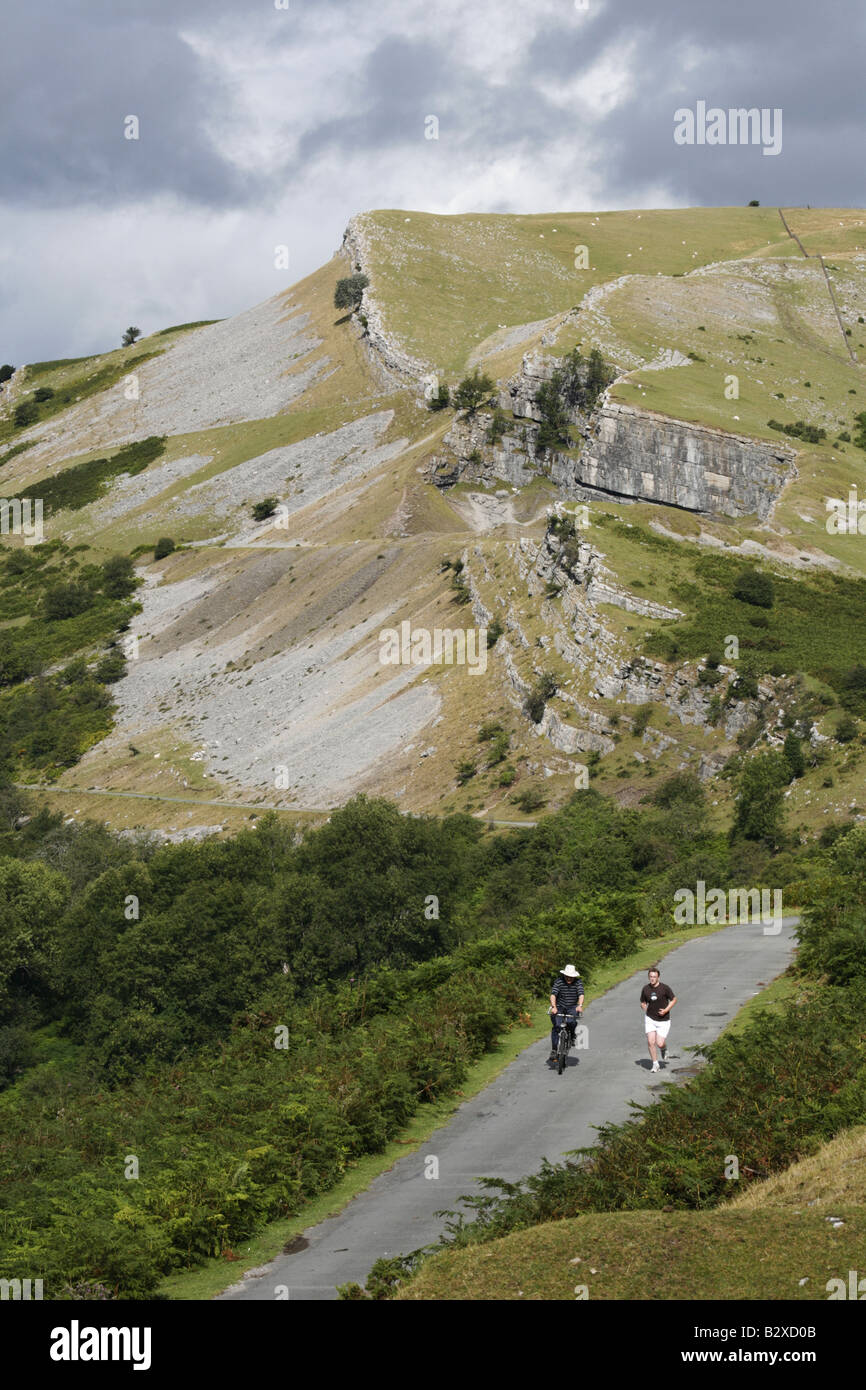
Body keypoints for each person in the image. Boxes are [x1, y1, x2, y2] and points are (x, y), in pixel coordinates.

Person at [640, 966, 676, 1073]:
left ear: (658, 977)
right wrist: (645, 1008)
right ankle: (655, 1064)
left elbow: (674, 999)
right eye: (650, 977)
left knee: (659, 1043)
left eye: (654, 977)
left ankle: (664, 1049)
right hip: (650, 1019)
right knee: (651, 1042)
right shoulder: (645, 989)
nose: (652, 979)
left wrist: (666, 1010)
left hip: (664, 1020)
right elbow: (642, 1002)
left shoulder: (665, 988)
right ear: (648, 977)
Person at [548, 963, 584, 1062]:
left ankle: (572, 1035)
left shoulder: (578, 982)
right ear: (564, 975)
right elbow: (553, 995)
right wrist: (554, 1007)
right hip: (559, 1006)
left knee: (572, 1022)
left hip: (572, 1006)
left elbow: (581, 994)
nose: (569, 979)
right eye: (567, 976)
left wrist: (580, 1006)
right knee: (557, 1026)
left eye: (571, 977)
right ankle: (554, 1050)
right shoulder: (559, 981)